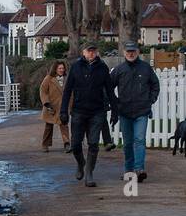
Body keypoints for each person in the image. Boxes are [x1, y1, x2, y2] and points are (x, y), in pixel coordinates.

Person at [59, 42, 115, 187]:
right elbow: (67, 91)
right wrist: (63, 111)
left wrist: (115, 111)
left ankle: (89, 173)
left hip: (96, 111)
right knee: (76, 144)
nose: (91, 53)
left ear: (96, 52)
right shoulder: (76, 67)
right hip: (78, 111)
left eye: (94, 51)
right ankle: (80, 163)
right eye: (89, 51)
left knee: (93, 143)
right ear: (83, 52)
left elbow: (109, 91)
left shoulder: (102, 68)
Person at [109, 41, 160, 182]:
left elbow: (155, 85)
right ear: (124, 53)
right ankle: (128, 171)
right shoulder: (119, 70)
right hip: (124, 111)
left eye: (133, 51)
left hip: (142, 111)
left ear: (137, 52)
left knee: (140, 140)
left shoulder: (146, 69)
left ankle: (139, 169)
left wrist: (150, 100)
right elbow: (108, 88)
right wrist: (116, 102)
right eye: (128, 51)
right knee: (127, 143)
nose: (131, 53)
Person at [38, 60, 70, 152]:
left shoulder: (67, 79)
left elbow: (71, 93)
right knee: (48, 126)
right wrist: (46, 103)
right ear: (55, 69)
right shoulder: (48, 78)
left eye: (63, 68)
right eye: (60, 68)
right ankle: (45, 145)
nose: (61, 70)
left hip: (63, 107)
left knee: (64, 125)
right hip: (51, 107)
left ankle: (67, 144)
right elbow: (43, 91)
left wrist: (71, 106)